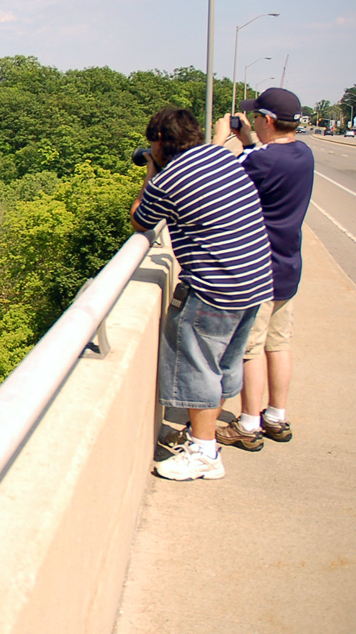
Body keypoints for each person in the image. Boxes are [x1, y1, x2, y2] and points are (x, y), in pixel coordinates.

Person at [130, 107, 273, 480]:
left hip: (215, 286)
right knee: (224, 363)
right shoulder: (219, 155)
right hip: (255, 280)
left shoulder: (168, 179)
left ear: (160, 141)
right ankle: (203, 438)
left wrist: (150, 171)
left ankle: (204, 453)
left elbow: (139, 220)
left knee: (194, 365)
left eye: (152, 145)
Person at [211, 88, 313, 450]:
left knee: (249, 349)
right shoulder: (303, 153)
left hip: (259, 269)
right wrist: (250, 140)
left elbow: (217, 174)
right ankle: (276, 416)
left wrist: (222, 138)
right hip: (289, 265)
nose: (252, 120)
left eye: (256, 117)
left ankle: (248, 424)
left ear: (267, 120)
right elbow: (265, 153)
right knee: (279, 344)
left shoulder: (262, 161)